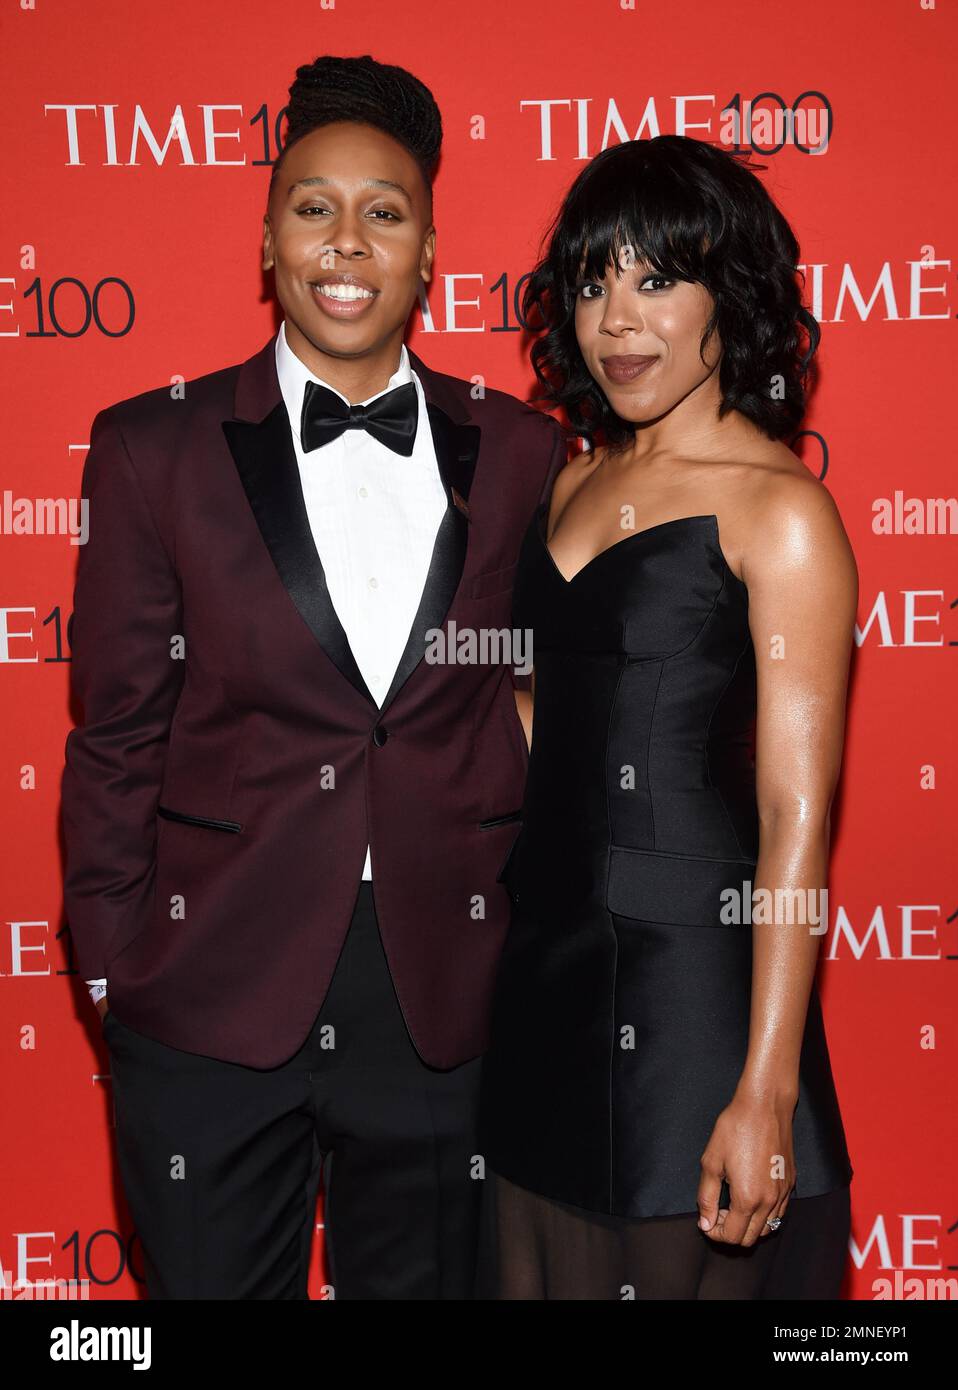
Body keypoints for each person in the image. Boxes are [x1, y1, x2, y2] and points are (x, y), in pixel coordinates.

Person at [61, 53, 565, 1300]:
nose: (348, 241)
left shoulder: (523, 454)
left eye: (384, 212)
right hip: (210, 994)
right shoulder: (149, 448)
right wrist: (122, 976)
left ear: (431, 251)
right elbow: (115, 733)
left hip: (445, 1006)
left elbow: (544, 705)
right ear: (269, 237)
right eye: (314, 206)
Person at [476, 134, 856, 1300]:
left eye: (655, 279)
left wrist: (765, 1088)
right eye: (594, 283)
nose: (617, 321)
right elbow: (540, 713)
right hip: (541, 970)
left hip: (692, 981)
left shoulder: (779, 512)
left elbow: (797, 818)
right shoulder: (569, 480)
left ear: (725, 297)